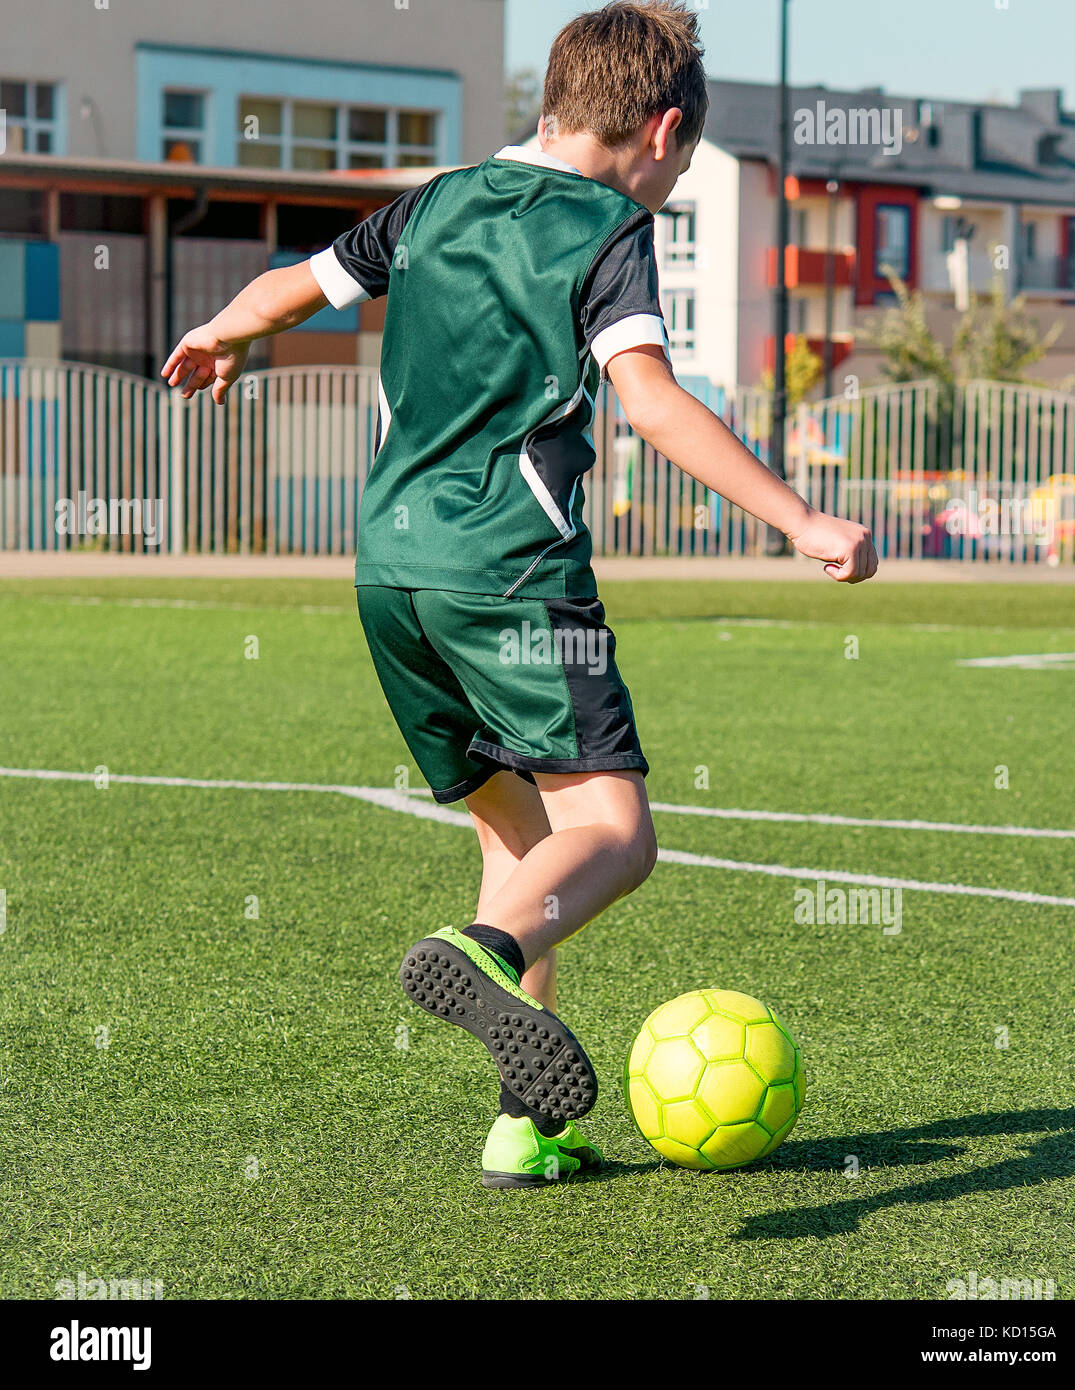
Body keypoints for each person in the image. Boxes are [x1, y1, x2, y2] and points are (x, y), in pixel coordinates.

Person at [162, 1, 877, 1189]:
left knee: (519, 834)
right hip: (513, 577)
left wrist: (223, 331)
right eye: (685, 160)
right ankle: (476, 951)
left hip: (389, 574)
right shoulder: (602, 228)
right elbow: (646, 401)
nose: (674, 178)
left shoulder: (435, 202)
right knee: (615, 834)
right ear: (659, 130)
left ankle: (522, 1124)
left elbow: (302, 283)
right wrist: (799, 517)